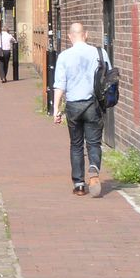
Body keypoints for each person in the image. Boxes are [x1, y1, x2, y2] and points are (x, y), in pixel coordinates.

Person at [53, 23, 107, 197]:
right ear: (86, 35)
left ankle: (79, 184)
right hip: (93, 104)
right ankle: (93, 168)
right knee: (94, 143)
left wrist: (56, 109)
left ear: (70, 37)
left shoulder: (64, 56)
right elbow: (109, 78)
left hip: (73, 106)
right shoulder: (100, 53)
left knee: (76, 145)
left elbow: (60, 85)